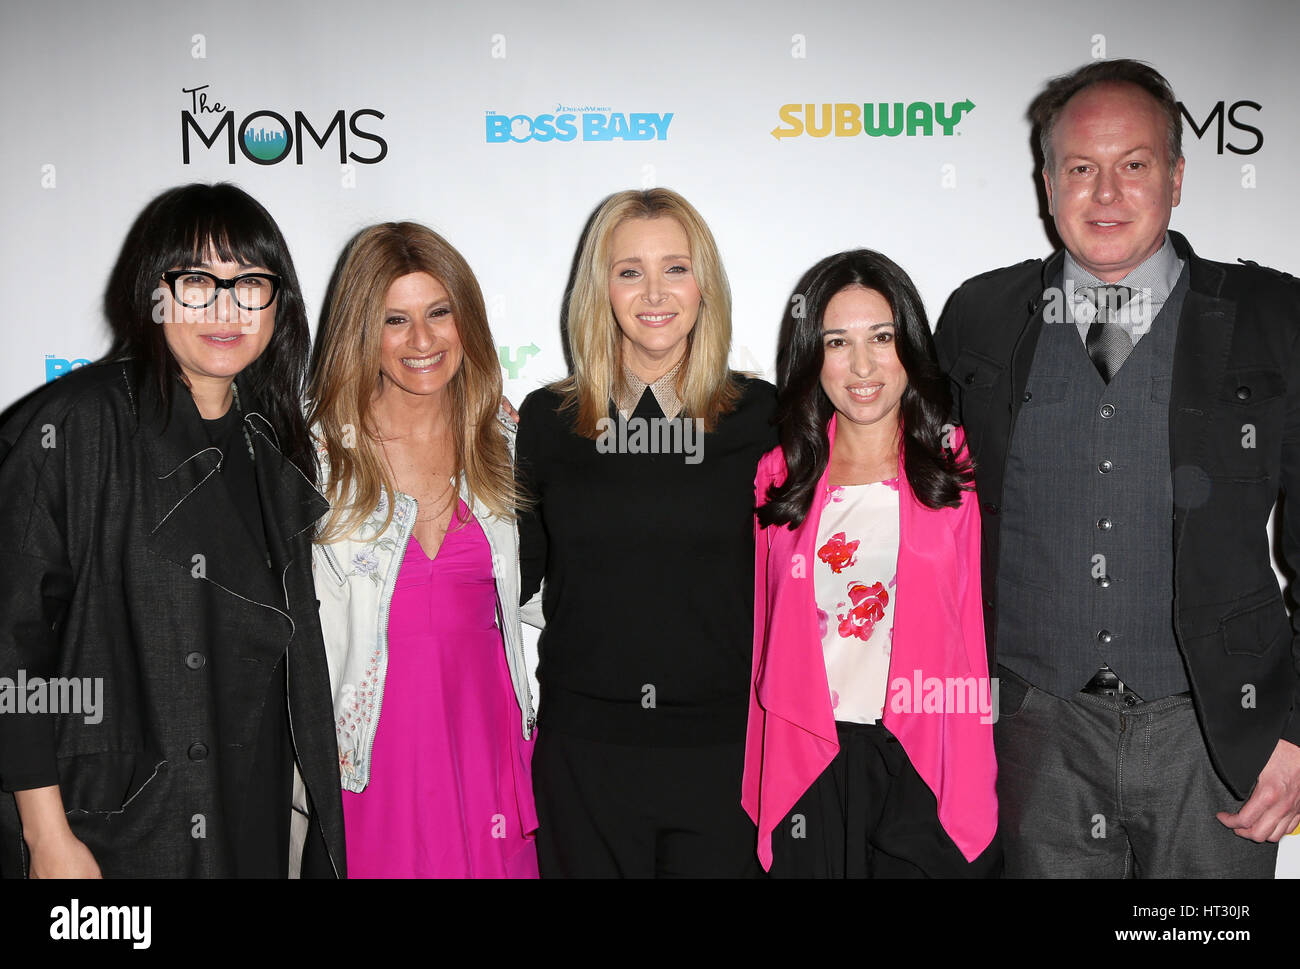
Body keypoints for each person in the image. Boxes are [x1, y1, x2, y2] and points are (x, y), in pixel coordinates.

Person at [935, 58, 1300, 878]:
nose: (1106, 194)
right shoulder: (980, 316)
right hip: (1034, 732)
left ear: (1176, 175)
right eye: (1081, 169)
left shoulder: (1272, 317)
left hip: (1215, 738)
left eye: (1133, 165)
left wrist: (1299, 728)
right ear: (1047, 182)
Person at [0, 182, 345, 878]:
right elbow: (10, 645)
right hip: (113, 827)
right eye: (196, 281)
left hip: (250, 804)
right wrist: (46, 835)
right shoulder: (75, 425)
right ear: (152, 293)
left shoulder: (275, 441)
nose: (225, 307)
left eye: (250, 282)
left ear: (278, 302)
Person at [516, 188, 777, 877]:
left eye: (676, 268)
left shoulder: (767, 416)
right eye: (629, 270)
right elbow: (512, 577)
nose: (654, 291)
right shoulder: (548, 419)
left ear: (705, 286)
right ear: (600, 288)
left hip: (728, 754)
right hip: (584, 755)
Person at [744, 249, 997, 877]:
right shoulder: (780, 477)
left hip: (924, 756)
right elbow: (759, 635)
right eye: (837, 342)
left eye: (881, 338)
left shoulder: (957, 467)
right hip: (812, 756)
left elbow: (978, 624)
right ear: (812, 356)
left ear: (909, 344)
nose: (862, 366)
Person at [309, 222, 538, 878]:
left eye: (439, 312)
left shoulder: (505, 439)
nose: (423, 340)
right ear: (362, 330)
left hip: (488, 734)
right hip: (373, 754)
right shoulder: (317, 454)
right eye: (395, 319)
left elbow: (561, 592)